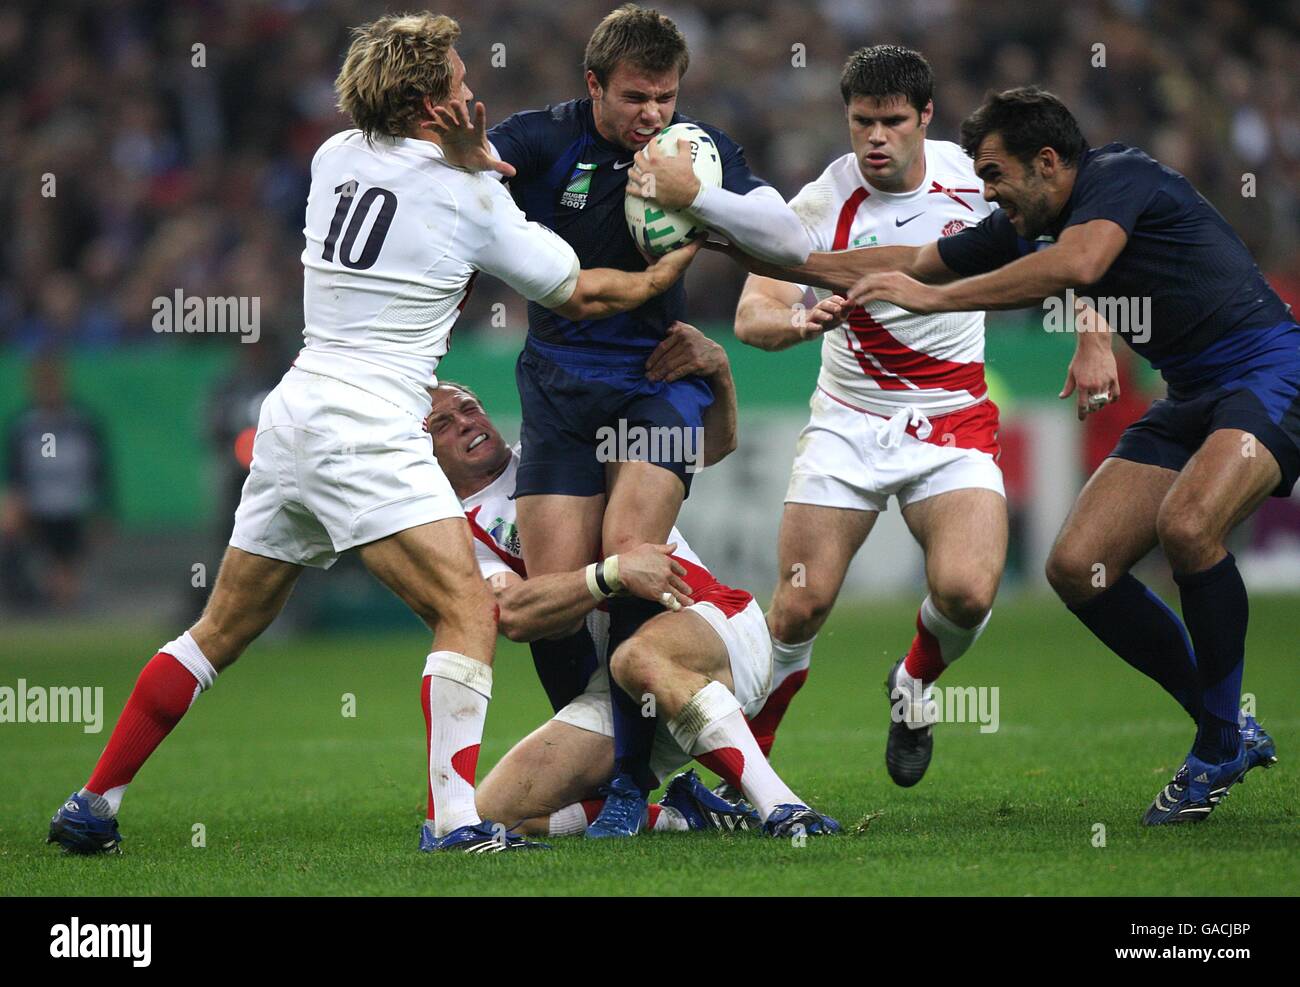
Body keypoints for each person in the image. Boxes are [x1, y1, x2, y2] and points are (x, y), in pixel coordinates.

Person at [47, 12, 698, 857]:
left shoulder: (333, 157)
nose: (476, 93)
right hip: (370, 419)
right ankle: (455, 824)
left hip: (294, 409)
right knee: (467, 607)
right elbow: (581, 292)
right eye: (461, 84)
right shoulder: (468, 196)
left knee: (219, 631)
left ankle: (94, 799)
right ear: (430, 104)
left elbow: (430, 184)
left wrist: (469, 162)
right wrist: (669, 266)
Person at [833, 86, 1284, 824]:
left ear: (1047, 163)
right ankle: (1226, 727)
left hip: (1266, 368)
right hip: (1193, 392)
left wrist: (935, 302)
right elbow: (919, 257)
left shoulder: (1121, 177)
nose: (986, 193)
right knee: (1080, 565)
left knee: (1190, 525)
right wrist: (768, 252)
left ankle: (1215, 740)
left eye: (993, 174)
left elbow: (1078, 263)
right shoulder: (1031, 217)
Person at [474, 4, 814, 837]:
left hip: (655, 379)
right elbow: (469, 178)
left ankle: (628, 779)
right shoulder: (540, 140)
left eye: (665, 96)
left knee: (630, 553)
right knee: (552, 595)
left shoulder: (692, 150)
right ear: (593, 86)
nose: (653, 114)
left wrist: (700, 197)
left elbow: (791, 241)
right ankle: (655, 774)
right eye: (635, 97)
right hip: (556, 389)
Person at [729, 46, 1005, 788]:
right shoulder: (822, 204)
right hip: (850, 422)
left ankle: (913, 682)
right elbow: (753, 311)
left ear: (925, 119)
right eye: (861, 122)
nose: (875, 138)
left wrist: (1097, 334)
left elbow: (1074, 242)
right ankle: (742, 776)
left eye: (891, 122)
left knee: (968, 591)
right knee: (795, 607)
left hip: (951, 419)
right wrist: (794, 324)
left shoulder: (977, 179)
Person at [421, 369, 839, 838]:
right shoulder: (462, 536)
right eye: (441, 423)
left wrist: (719, 374)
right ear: (422, 454)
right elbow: (515, 615)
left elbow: (706, 448)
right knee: (494, 811)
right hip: (622, 693)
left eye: (469, 407)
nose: (464, 422)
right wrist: (612, 574)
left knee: (637, 655)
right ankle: (687, 817)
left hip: (711, 623)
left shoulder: (560, 460)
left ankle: (785, 808)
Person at [1, 354, 112, 610]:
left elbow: (100, 470)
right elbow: (15, 476)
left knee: (68, 566)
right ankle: (33, 597)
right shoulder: (23, 425)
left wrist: (102, 509)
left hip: (73, 508)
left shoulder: (82, 422)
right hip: (37, 508)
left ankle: (64, 597)